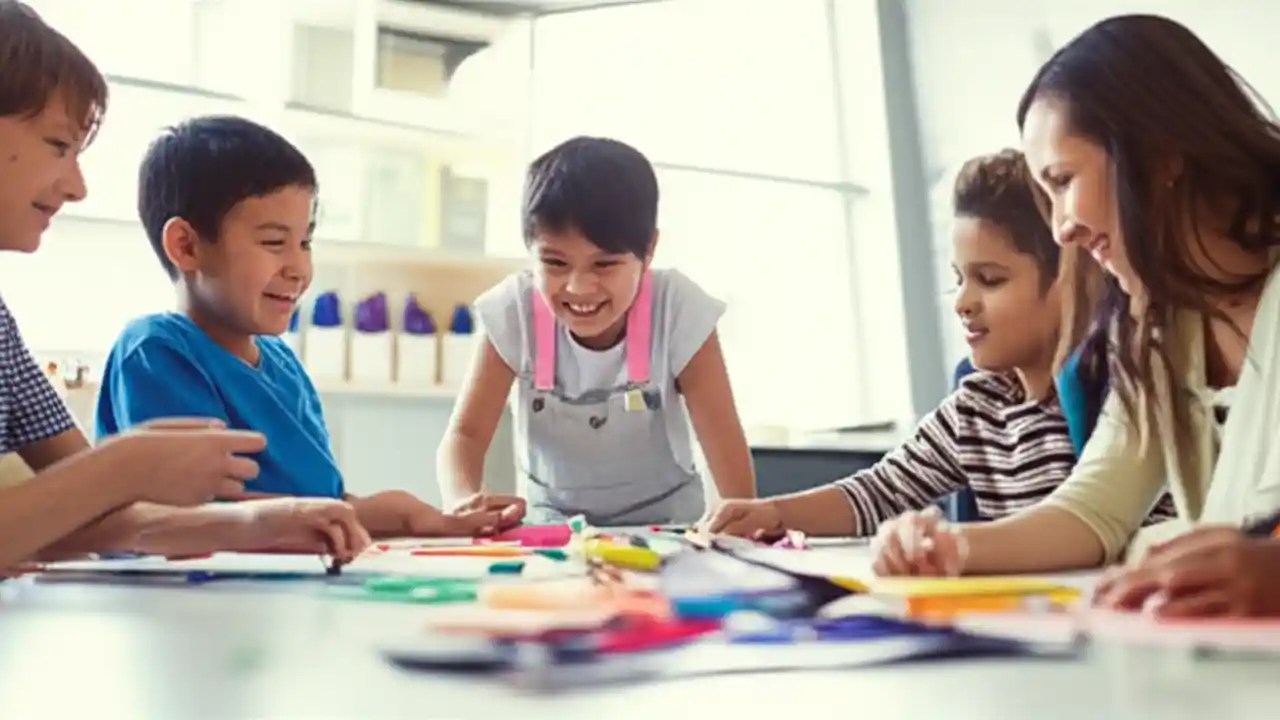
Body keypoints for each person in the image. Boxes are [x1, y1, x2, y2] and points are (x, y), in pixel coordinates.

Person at [873, 15, 1280, 617]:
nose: (1062, 226)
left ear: (1160, 154)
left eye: (1064, 181)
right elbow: (1092, 509)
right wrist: (949, 548)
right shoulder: (1161, 326)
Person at [0, 0, 368, 569]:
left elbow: (94, 518)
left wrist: (260, 522)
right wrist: (125, 466)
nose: (77, 187)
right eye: (57, 146)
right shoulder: (159, 347)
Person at [701, 150, 1173, 545]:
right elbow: (880, 491)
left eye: (990, 280)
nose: (964, 302)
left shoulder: (1125, 392)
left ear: (1072, 278)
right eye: (958, 279)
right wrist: (773, 514)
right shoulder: (977, 406)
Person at [95, 115, 524, 538]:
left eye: (305, 242)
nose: (299, 267)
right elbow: (190, 519)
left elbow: (312, 504)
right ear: (186, 246)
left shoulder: (281, 363)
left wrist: (412, 515)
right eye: (274, 243)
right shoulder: (157, 353)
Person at [437, 136, 757, 525]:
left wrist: (743, 521)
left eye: (604, 265)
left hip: (669, 529)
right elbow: (465, 436)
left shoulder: (679, 307)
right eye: (555, 263)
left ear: (649, 250)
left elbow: (722, 440)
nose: (579, 288)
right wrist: (462, 500)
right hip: (552, 533)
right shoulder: (512, 311)